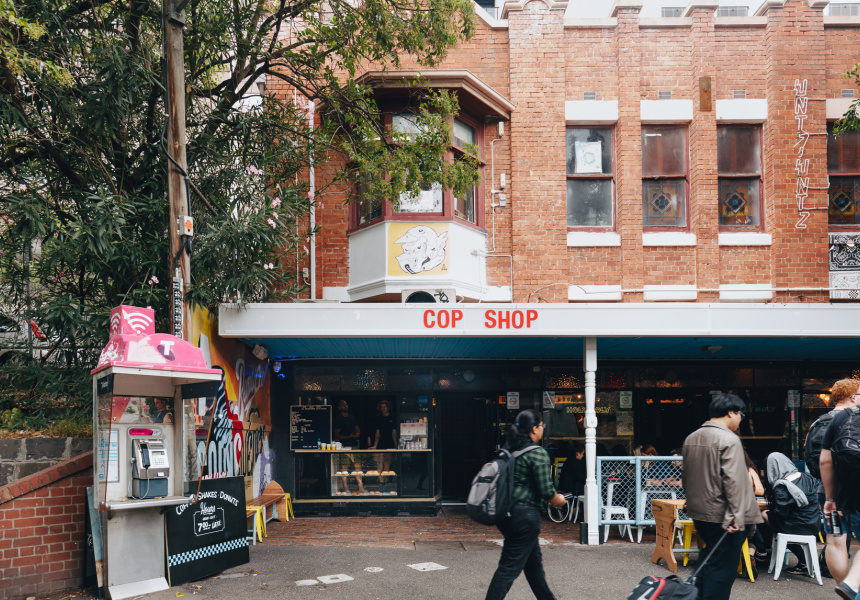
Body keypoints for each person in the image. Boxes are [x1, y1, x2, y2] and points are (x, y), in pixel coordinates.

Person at [682, 393, 762, 600]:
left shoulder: (692, 437)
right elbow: (734, 479)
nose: (740, 420)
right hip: (724, 514)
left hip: (700, 511)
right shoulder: (729, 439)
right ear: (731, 412)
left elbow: (687, 475)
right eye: (740, 415)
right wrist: (736, 513)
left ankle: (696, 596)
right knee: (723, 569)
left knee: (709, 559)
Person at [485, 409, 566, 600]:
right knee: (507, 569)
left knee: (533, 566)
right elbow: (547, 491)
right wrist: (559, 500)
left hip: (507, 514)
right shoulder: (537, 454)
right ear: (534, 429)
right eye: (541, 425)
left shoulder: (510, 451)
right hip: (525, 517)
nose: (543, 429)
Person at [815, 378, 860, 586]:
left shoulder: (822, 421)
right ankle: (852, 587)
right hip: (854, 491)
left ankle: (845, 589)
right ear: (854, 396)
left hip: (829, 490)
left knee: (835, 541)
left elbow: (823, 461)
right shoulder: (852, 417)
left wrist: (830, 495)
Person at [761, 452, 819, 574]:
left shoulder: (782, 486)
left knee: (765, 515)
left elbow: (781, 514)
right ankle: (803, 561)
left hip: (797, 526)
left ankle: (763, 551)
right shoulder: (807, 477)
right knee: (778, 523)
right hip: (814, 524)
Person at [333, 399, 364, 494]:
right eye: (342, 405)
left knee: (358, 467)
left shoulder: (352, 417)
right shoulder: (338, 419)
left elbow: (358, 430)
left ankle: (361, 488)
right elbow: (336, 435)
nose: (345, 406)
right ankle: (346, 489)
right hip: (344, 446)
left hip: (354, 445)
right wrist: (349, 436)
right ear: (339, 408)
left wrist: (357, 434)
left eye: (346, 404)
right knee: (344, 469)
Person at [370, 400, 398, 480]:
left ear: (388, 407)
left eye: (385, 407)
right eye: (382, 407)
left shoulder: (393, 417)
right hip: (380, 443)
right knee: (378, 463)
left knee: (387, 462)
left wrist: (396, 445)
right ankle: (381, 480)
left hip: (389, 443)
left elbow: (394, 432)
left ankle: (385, 480)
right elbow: (377, 432)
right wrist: (375, 445)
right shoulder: (378, 418)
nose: (383, 409)